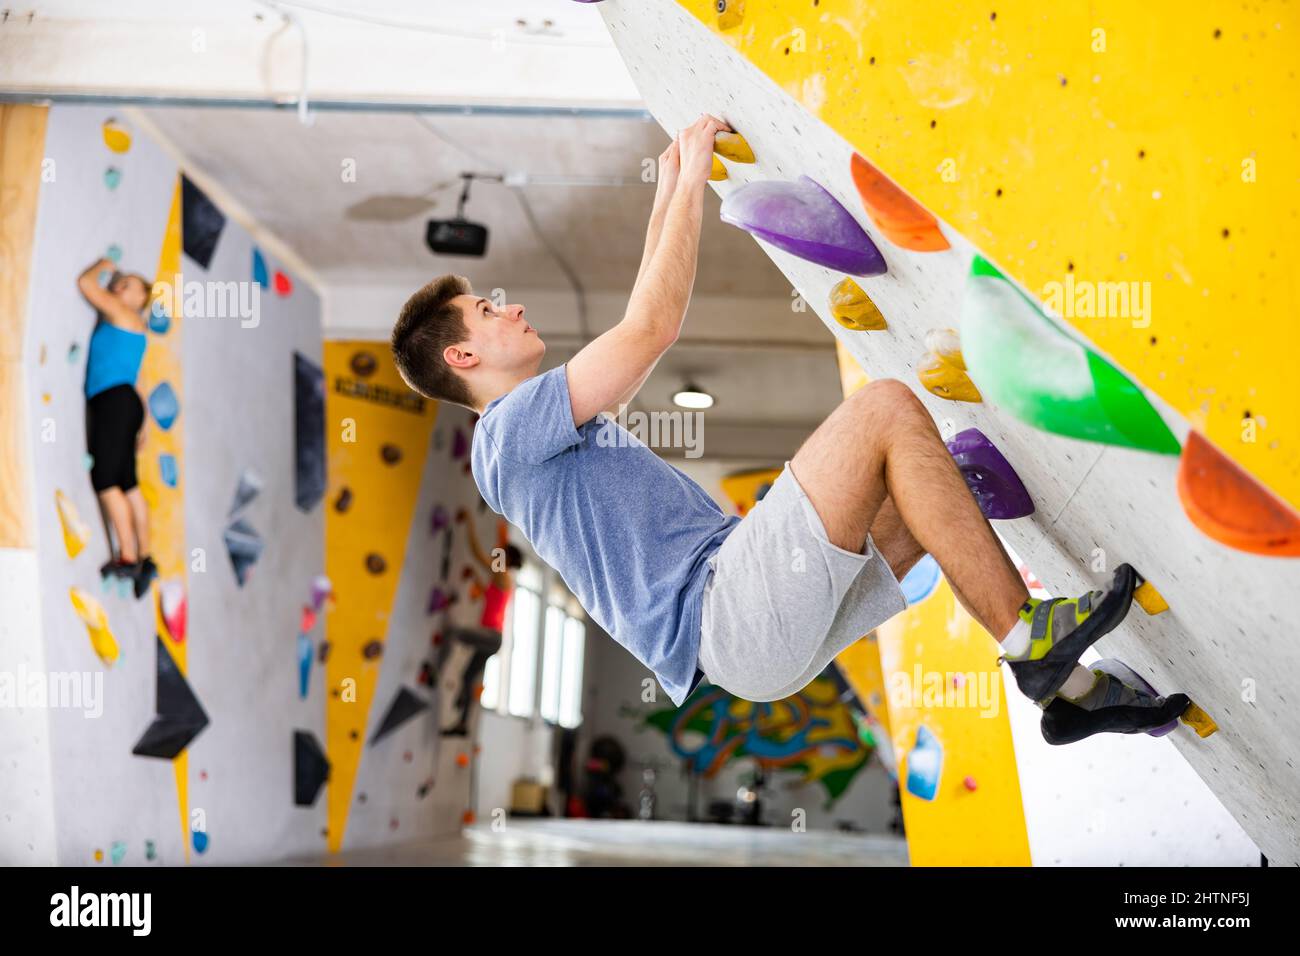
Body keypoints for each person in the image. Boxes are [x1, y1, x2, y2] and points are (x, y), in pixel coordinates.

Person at [389, 115, 1187, 744]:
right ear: (461, 355)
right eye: (491, 311)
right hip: (726, 612)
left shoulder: (540, 442)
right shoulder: (505, 434)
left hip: (747, 641)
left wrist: (671, 186)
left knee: (930, 479)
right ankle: (1026, 634)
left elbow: (640, 314)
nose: (513, 307)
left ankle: (1077, 698)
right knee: (885, 408)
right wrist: (697, 178)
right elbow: (648, 330)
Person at [77, 257, 157, 599]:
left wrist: (103, 265)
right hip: (126, 402)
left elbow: (86, 285)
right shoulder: (135, 328)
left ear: (139, 299)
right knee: (129, 485)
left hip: (113, 401)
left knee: (107, 481)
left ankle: (127, 557)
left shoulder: (123, 314)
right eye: (123, 282)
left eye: (132, 285)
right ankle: (145, 556)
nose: (122, 286)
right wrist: (146, 423)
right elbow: (136, 380)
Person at [442, 506, 522, 737]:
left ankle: (449, 684)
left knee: (455, 632)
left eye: (500, 551)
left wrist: (469, 522)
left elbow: (477, 553)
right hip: (492, 639)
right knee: (467, 677)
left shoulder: (502, 574)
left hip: (491, 637)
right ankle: (462, 723)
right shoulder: (501, 579)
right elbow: (488, 593)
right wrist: (474, 578)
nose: (495, 552)